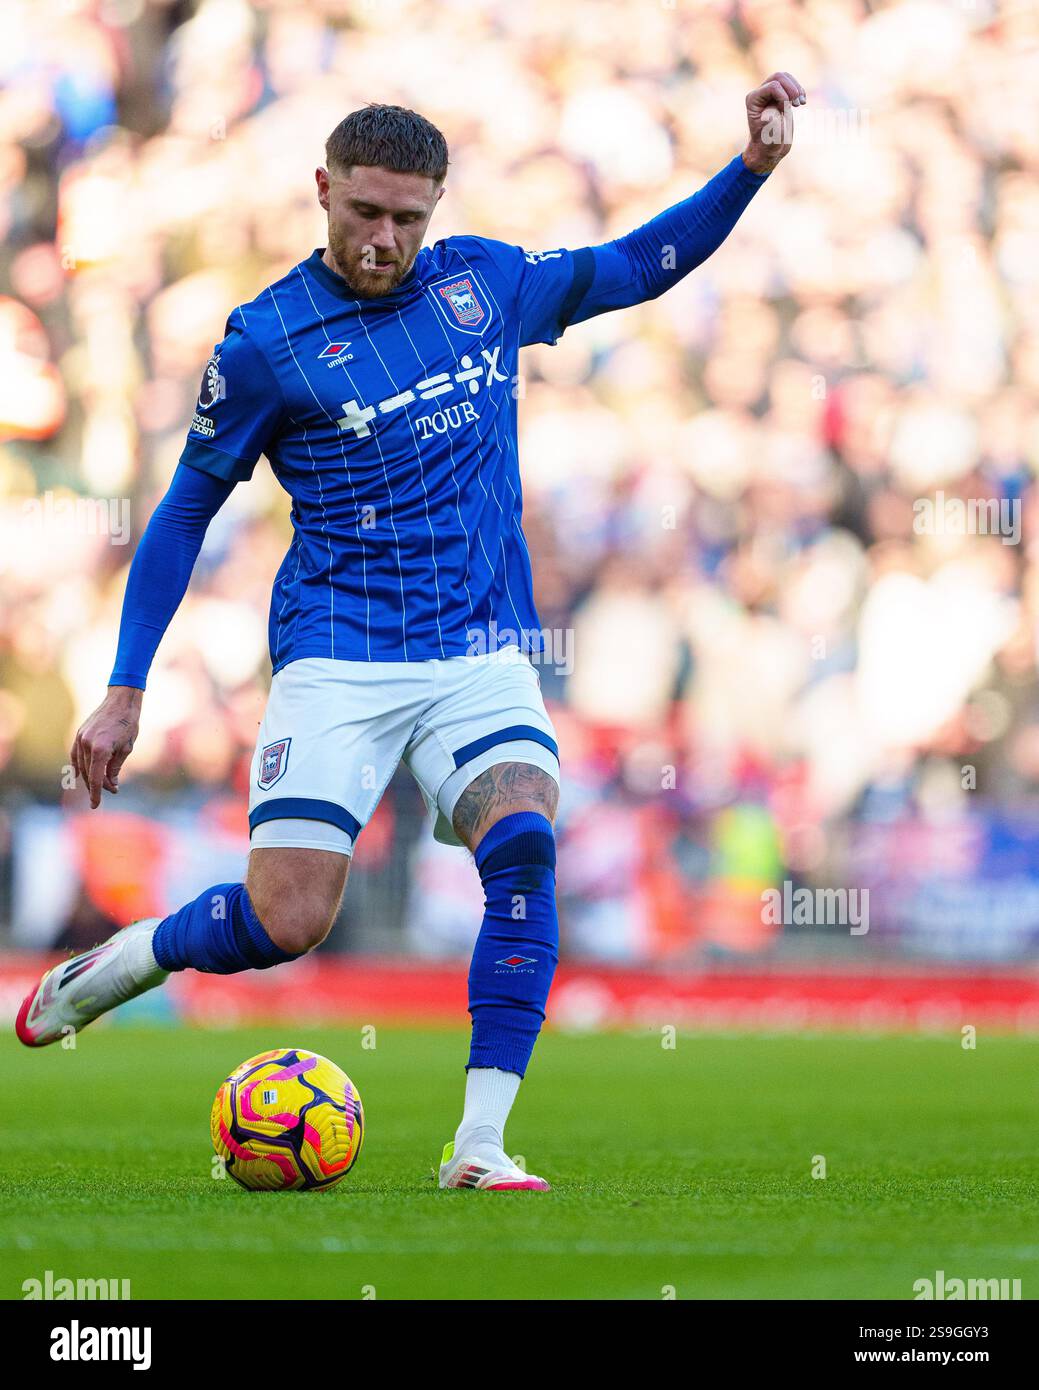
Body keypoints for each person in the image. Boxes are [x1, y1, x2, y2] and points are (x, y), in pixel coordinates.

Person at [17, 77, 805, 1191]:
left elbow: (637, 266)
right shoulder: (266, 341)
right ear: (323, 191)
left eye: (409, 218)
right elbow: (187, 508)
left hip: (478, 652)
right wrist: (126, 683)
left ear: (436, 207)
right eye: (366, 214)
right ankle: (121, 964)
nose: (386, 239)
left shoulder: (484, 282)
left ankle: (478, 1144)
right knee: (286, 920)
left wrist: (751, 170)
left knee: (525, 850)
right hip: (338, 656)